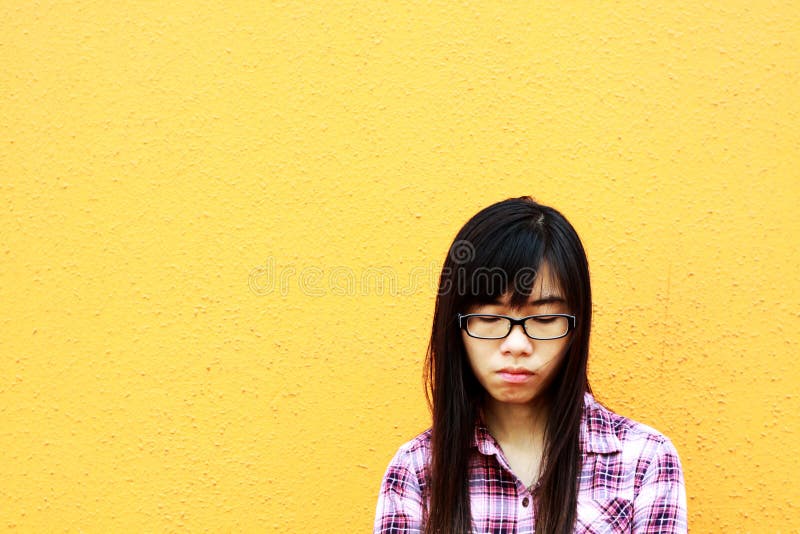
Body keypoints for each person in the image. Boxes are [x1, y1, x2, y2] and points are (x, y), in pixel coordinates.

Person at [373, 196, 687, 533]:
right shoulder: (416, 471)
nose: (517, 345)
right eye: (490, 317)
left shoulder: (644, 460)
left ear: (576, 327)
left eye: (545, 318)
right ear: (456, 326)